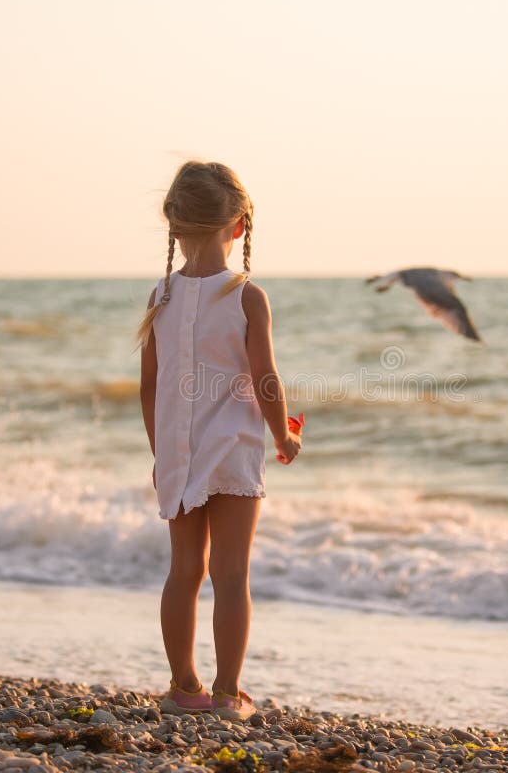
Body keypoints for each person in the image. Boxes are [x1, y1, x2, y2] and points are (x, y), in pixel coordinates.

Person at [137, 161, 301, 720]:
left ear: (175, 224)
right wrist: (284, 435)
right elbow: (266, 379)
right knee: (231, 575)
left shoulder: (161, 295)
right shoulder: (246, 296)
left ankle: (184, 686)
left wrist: (161, 451)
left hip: (179, 455)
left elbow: (150, 386)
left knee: (184, 571)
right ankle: (228, 692)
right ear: (239, 226)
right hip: (233, 452)